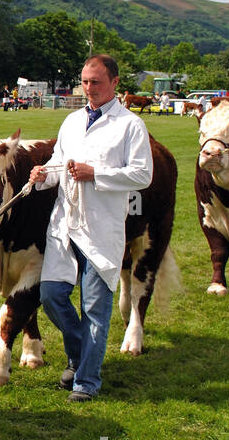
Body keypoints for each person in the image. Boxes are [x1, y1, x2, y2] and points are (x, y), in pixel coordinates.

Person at [28, 54, 152, 402]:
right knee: (51, 296)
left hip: (101, 228)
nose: (88, 88)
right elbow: (59, 162)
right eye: (84, 81)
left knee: (95, 309)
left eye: (96, 82)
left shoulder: (130, 126)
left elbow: (143, 174)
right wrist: (42, 174)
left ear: (114, 83)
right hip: (65, 225)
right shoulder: (70, 121)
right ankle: (83, 353)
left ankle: (86, 381)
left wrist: (95, 173)